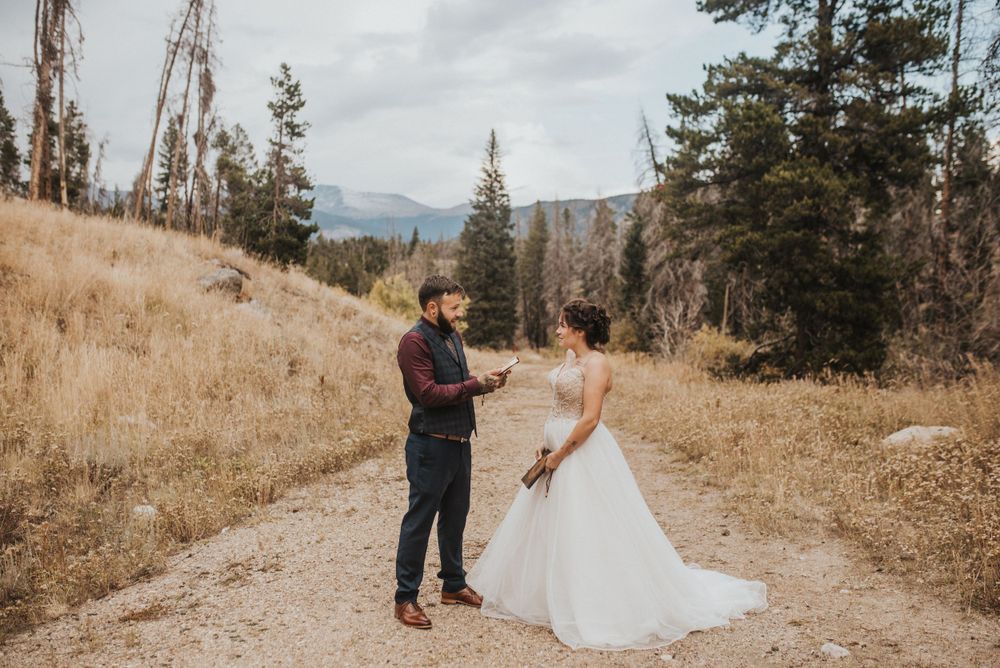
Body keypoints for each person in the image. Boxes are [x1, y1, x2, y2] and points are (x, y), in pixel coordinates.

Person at [466, 298, 767, 650]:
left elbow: (591, 418)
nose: (558, 330)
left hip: (579, 452)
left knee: (587, 524)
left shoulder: (598, 364)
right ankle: (550, 593)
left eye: (563, 325)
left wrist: (561, 454)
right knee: (552, 523)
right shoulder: (569, 359)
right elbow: (558, 405)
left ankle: (593, 598)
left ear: (579, 330)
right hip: (555, 448)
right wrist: (543, 441)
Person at [393, 275, 509, 629]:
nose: (459, 314)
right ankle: (405, 598)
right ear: (432, 307)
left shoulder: (453, 337)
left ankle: (453, 585)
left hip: (459, 443)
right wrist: (475, 385)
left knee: (456, 516)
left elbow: (456, 381)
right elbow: (428, 393)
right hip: (429, 444)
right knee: (420, 520)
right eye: (454, 307)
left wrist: (484, 380)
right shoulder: (413, 342)